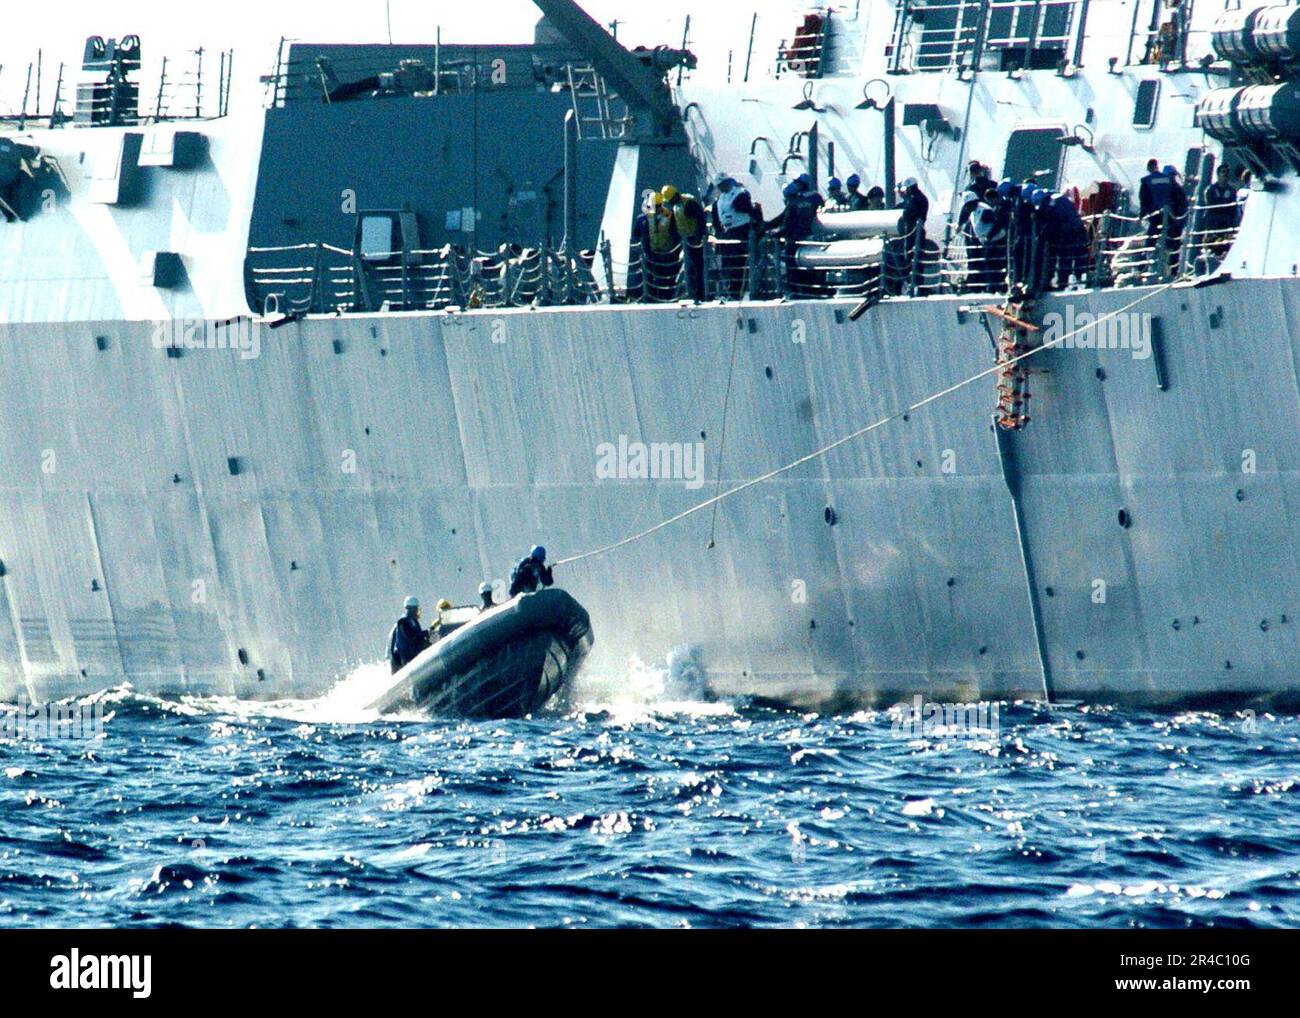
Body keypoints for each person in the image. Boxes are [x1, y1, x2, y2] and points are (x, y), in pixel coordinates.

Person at [708, 172, 761, 298]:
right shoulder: (719, 201)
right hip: (728, 233)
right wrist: (719, 235)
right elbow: (716, 221)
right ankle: (731, 291)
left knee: (740, 264)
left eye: (722, 185)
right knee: (728, 264)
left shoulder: (740, 195)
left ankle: (743, 291)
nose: (720, 188)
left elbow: (749, 211)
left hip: (742, 231)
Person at [662, 184, 708, 300]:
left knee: (698, 268)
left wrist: (698, 237)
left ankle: (700, 295)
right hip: (686, 240)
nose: (669, 202)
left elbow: (700, 219)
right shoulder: (676, 205)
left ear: (675, 196)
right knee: (689, 268)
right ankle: (692, 293)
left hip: (695, 240)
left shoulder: (688, 203)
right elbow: (675, 225)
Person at [633, 190, 679, 301]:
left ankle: (669, 297)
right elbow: (636, 235)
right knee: (649, 277)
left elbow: (676, 234)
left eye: (657, 206)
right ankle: (651, 297)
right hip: (650, 254)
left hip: (667, 254)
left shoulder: (670, 216)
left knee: (668, 278)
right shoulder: (642, 219)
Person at [1202, 164, 1241, 262]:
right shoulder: (1211, 190)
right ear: (1218, 174)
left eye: (1227, 173)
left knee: (1225, 245)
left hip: (1226, 224)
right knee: (1212, 246)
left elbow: (1232, 208)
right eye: (1223, 172)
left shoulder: (1232, 191)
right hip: (1214, 224)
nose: (1225, 175)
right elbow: (1211, 205)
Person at [387, 595, 430, 674]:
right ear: (411, 609)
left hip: (412, 654)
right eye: (416, 608)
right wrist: (424, 635)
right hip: (407, 657)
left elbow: (416, 635)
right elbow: (411, 638)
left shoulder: (411, 621)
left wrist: (427, 633)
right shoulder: (404, 622)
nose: (417, 610)